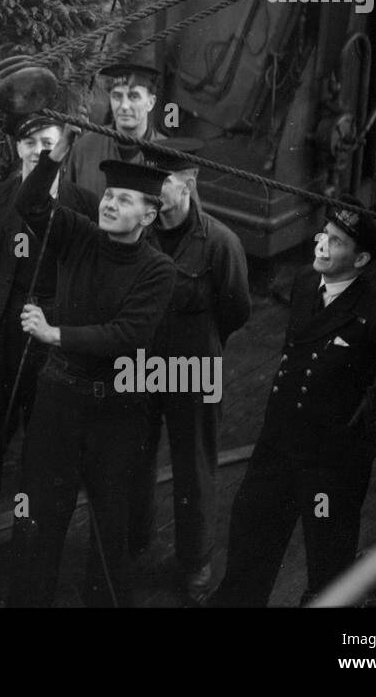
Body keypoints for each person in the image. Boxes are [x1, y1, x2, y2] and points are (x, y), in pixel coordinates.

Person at [7, 142, 176, 608]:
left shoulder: (158, 270)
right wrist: (53, 158)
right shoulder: (77, 234)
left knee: (110, 526)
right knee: (38, 514)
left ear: (147, 216)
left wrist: (54, 333)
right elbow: (30, 203)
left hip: (117, 412)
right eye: (108, 195)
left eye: (124, 199)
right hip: (58, 402)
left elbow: (127, 336)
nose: (109, 203)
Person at [209, 197, 376, 608]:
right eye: (323, 235)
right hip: (279, 441)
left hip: (331, 460)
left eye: (336, 242)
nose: (322, 246)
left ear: (361, 258)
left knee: (328, 555)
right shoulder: (303, 283)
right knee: (252, 529)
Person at [0, 116, 98, 586]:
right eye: (32, 143)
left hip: (54, 338)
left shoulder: (84, 203)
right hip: (1, 337)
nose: (39, 150)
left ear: (63, 150)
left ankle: (26, 551)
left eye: (49, 143)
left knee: (42, 452)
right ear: (19, 149)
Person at [128, 141, 250, 604]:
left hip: (196, 365)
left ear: (188, 183)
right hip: (139, 363)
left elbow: (236, 309)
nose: (156, 193)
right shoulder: (140, 233)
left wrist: (199, 345)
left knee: (194, 466)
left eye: (165, 182)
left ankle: (195, 561)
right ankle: (138, 540)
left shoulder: (221, 242)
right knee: (135, 455)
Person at [64, 63, 168, 202]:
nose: (124, 106)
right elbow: (65, 205)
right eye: (117, 96)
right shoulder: (85, 148)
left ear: (151, 102)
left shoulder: (168, 154)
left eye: (134, 96)